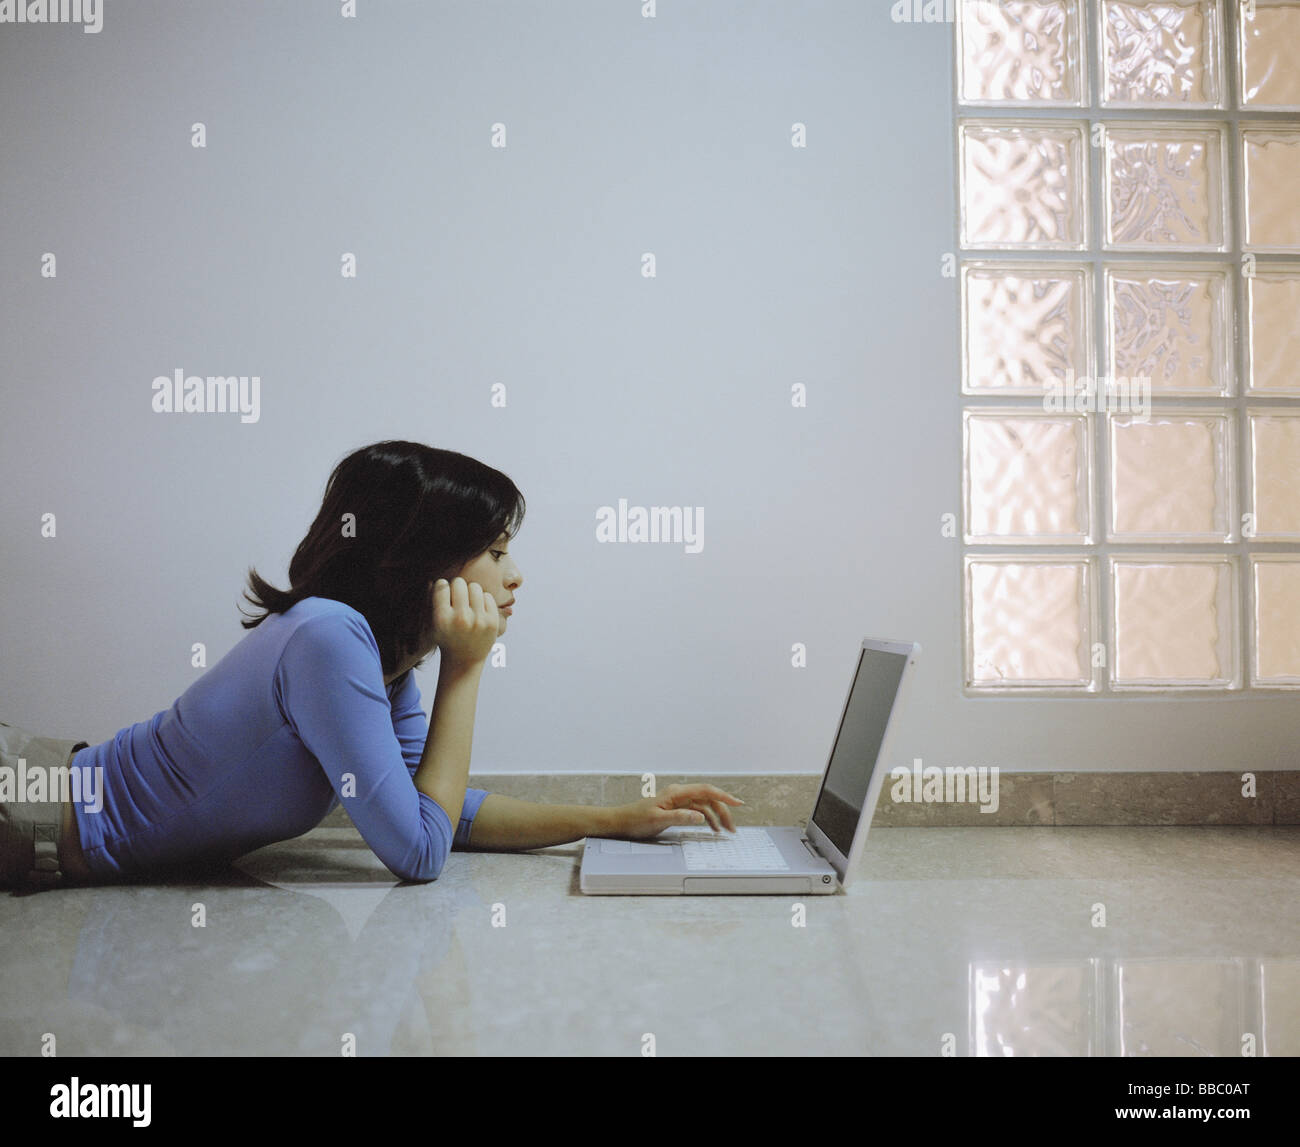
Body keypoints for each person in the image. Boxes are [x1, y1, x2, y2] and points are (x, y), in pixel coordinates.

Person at [1, 440, 740, 892]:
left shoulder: (378, 657)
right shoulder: (330, 639)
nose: (515, 576)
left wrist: (616, 821)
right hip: (25, 812)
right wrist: (465, 670)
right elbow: (418, 852)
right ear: (423, 559)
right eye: (496, 550)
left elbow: (438, 810)